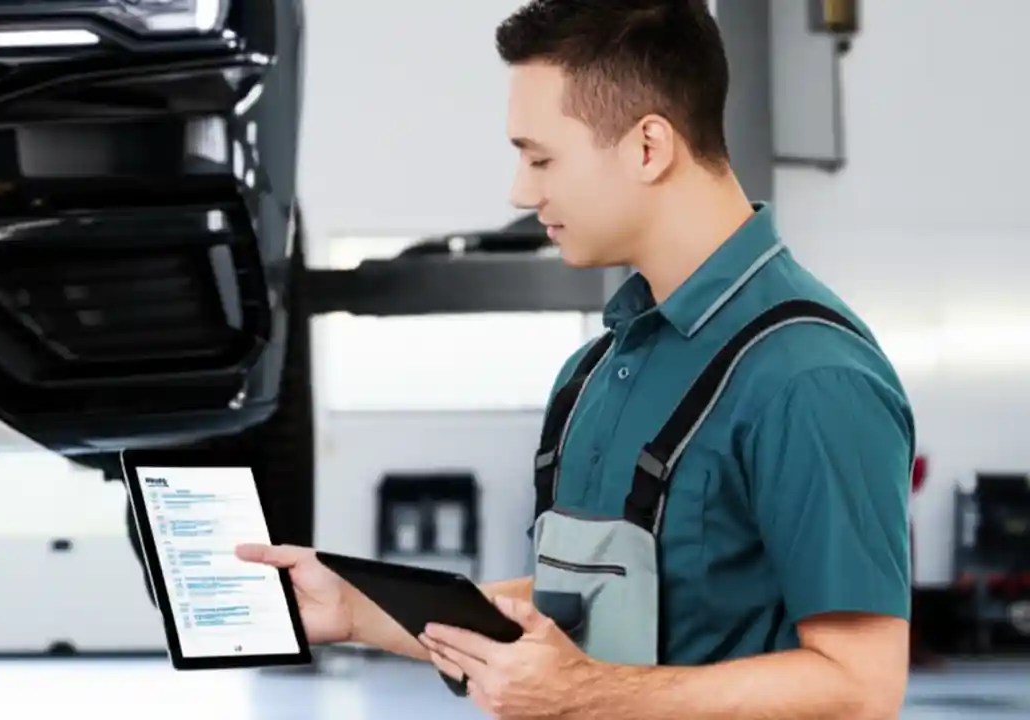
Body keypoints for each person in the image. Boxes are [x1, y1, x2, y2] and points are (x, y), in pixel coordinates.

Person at [237, 1, 915, 717]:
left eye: (540, 157)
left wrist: (590, 696)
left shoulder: (809, 377)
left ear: (648, 147)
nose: (521, 191)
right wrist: (353, 608)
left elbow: (859, 687)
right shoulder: (592, 374)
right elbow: (576, 606)